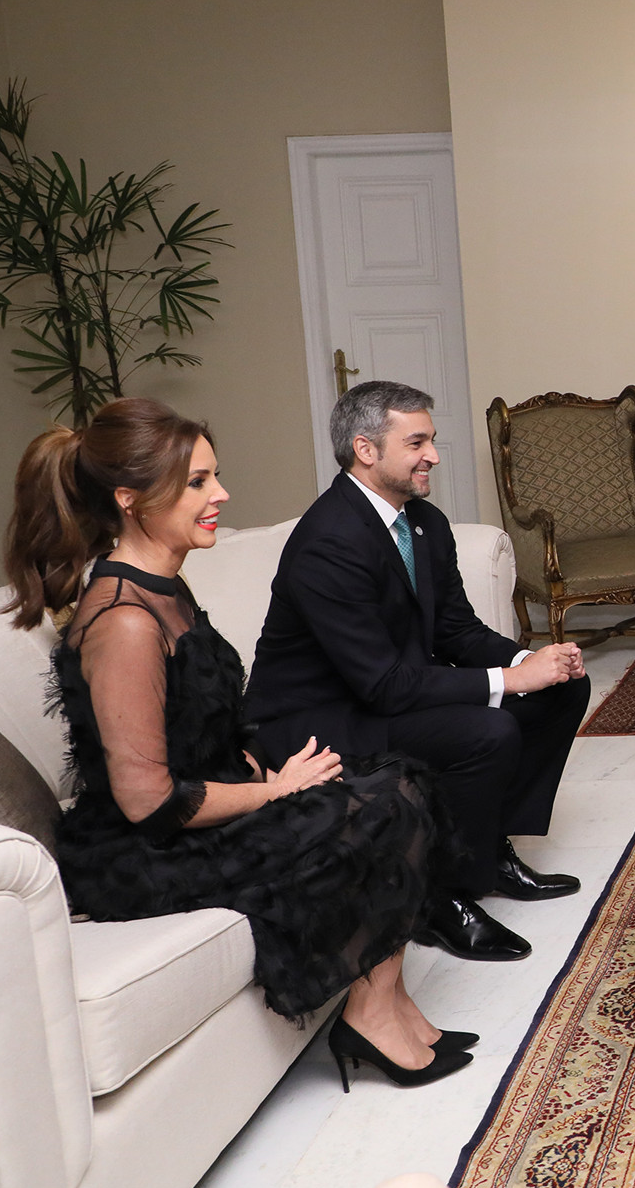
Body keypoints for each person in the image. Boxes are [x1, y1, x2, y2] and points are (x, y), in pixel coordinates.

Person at [10, 398, 471, 1088]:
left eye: (212, 476)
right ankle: (371, 1013)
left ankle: (388, 1001)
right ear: (131, 499)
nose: (220, 494)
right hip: (147, 852)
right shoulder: (125, 621)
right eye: (197, 482)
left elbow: (203, 724)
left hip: (201, 812)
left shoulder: (165, 587)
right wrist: (277, 790)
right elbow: (147, 801)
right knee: (382, 803)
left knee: (399, 778)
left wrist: (268, 768)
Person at [246, 381, 590, 963]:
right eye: (417, 442)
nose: (432, 454)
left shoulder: (423, 523)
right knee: (490, 729)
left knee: (561, 690)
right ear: (366, 449)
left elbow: (455, 630)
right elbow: (380, 684)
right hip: (318, 720)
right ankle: (440, 897)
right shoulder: (328, 541)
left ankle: (485, 850)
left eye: (431, 440)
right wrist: (509, 682)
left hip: (384, 692)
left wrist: (526, 661)